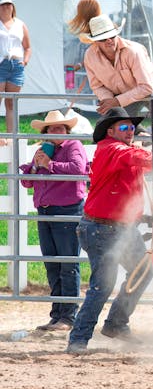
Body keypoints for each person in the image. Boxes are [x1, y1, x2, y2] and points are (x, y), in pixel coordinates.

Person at [66, 107, 153, 354]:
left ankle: (115, 323)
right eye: (124, 127)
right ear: (110, 131)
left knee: (142, 272)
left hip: (121, 227)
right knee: (103, 284)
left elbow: (128, 180)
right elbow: (131, 156)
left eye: (132, 128)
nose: (130, 131)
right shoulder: (110, 149)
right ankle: (79, 339)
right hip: (101, 229)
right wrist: (152, 159)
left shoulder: (124, 152)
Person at [81, 14, 153, 171]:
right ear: (95, 41)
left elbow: (146, 87)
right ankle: (125, 159)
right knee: (114, 117)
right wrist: (109, 103)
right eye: (103, 38)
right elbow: (97, 86)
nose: (109, 40)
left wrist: (116, 102)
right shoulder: (90, 56)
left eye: (112, 36)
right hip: (124, 94)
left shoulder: (133, 51)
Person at [20, 110, 89, 331]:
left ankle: (68, 316)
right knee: (52, 263)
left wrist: (49, 164)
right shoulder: (44, 150)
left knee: (67, 263)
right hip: (46, 211)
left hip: (67, 210)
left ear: (66, 130)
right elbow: (28, 183)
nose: (56, 131)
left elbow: (78, 170)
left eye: (60, 128)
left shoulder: (73, 146)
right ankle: (58, 314)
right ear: (47, 132)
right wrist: (34, 167)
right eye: (51, 129)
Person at [0, 0, 32, 144]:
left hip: (16, 65)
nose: (6, 6)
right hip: (1, 64)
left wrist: (24, 62)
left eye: (9, 4)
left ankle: (10, 136)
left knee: (11, 103)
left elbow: (28, 47)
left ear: (13, 7)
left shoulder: (20, 24)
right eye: (3, 4)